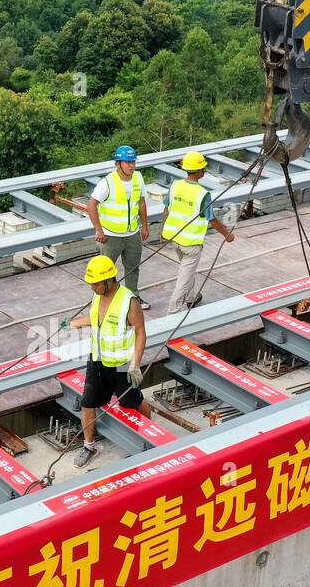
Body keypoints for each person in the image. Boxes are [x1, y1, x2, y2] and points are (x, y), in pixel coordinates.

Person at [66, 255, 151, 468]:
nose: (93, 287)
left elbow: (141, 334)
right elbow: (97, 319)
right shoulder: (97, 296)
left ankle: (150, 437)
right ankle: (89, 446)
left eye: (96, 283)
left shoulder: (129, 302)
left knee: (133, 402)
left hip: (122, 365)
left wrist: (135, 364)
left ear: (109, 280)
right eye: (91, 283)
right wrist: (75, 323)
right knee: (88, 403)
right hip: (98, 360)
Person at [163, 151, 234, 313]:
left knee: (188, 270)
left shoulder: (175, 185)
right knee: (184, 276)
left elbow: (166, 209)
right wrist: (227, 235)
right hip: (191, 244)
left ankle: (191, 297)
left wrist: (163, 231)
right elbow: (213, 219)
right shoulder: (202, 194)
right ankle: (172, 312)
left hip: (174, 238)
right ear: (201, 171)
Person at [87, 144, 152, 310]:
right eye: (127, 162)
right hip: (110, 236)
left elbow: (141, 203)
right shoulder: (107, 182)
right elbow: (91, 205)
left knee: (133, 269)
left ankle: (133, 300)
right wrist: (98, 229)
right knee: (104, 272)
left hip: (132, 234)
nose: (131, 166)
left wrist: (144, 226)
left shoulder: (138, 178)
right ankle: (101, 303)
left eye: (133, 162)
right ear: (118, 164)